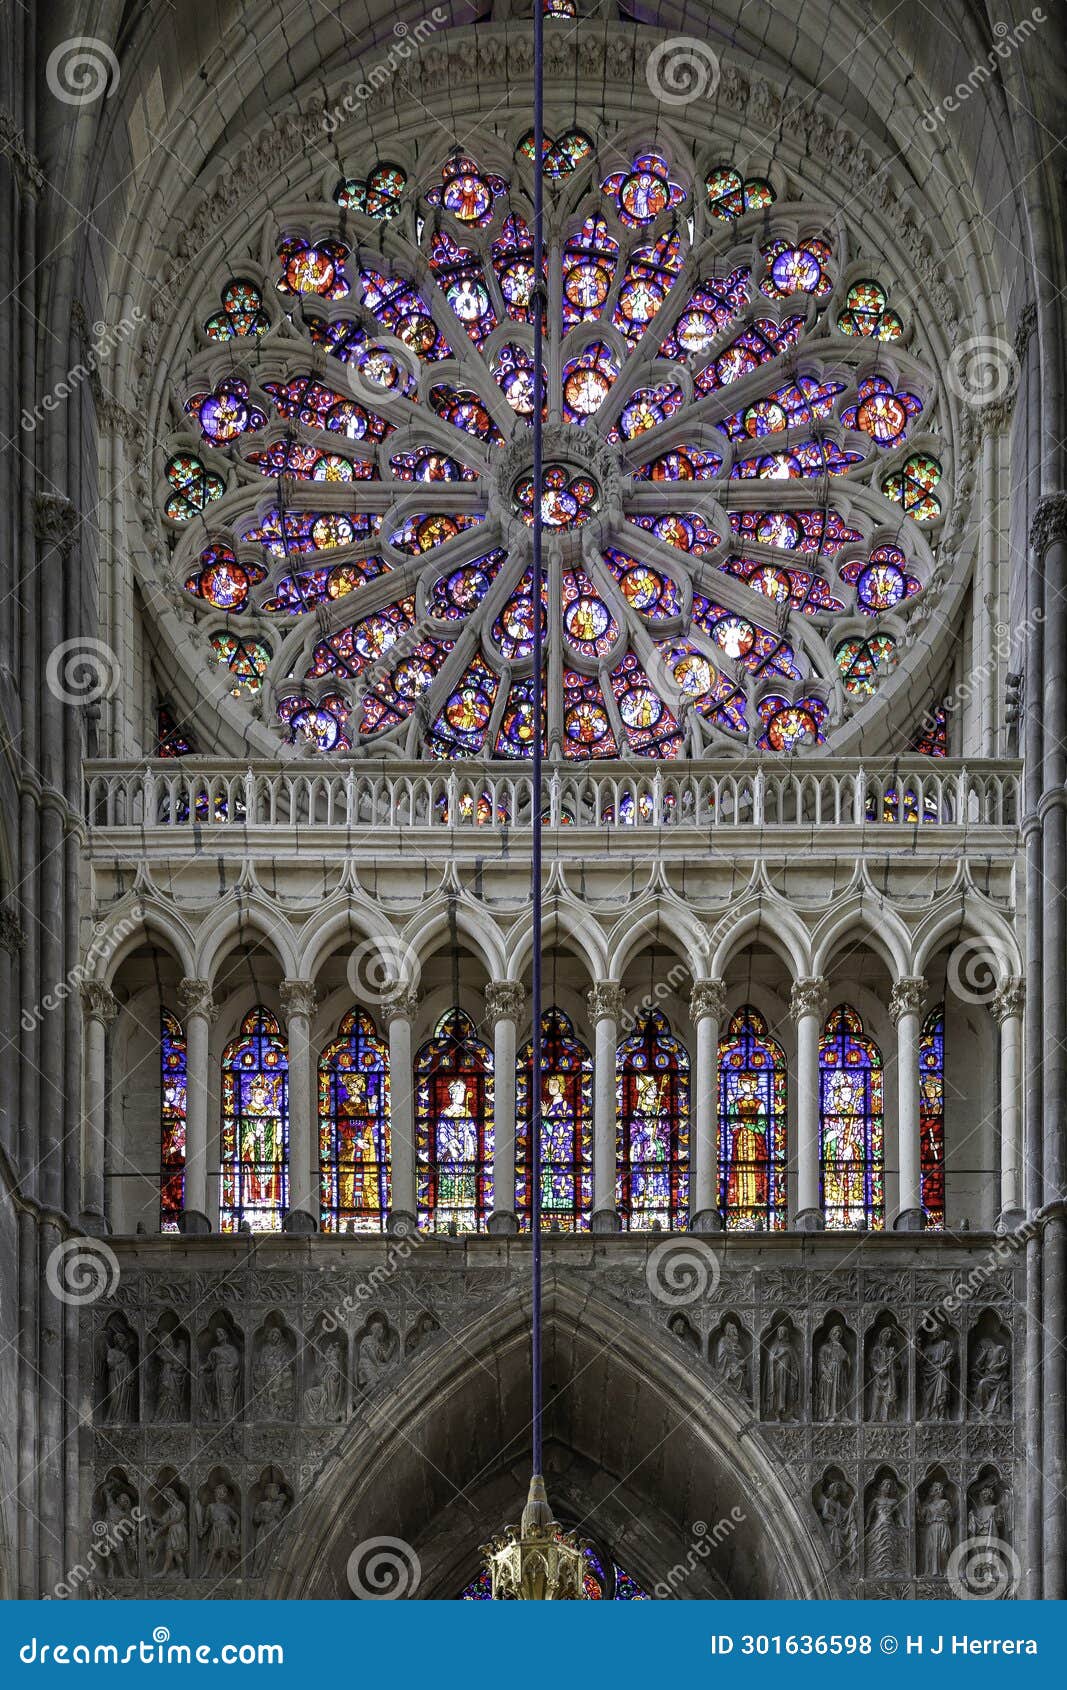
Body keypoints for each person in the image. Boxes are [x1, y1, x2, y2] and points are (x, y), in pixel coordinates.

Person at [816, 1324, 851, 1422]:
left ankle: (841, 1415)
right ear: (831, 1334)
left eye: (839, 1334)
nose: (837, 1335)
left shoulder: (841, 1348)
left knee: (841, 1392)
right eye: (835, 1333)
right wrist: (826, 1372)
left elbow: (846, 1360)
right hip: (829, 1373)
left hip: (840, 1374)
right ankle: (829, 1414)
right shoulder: (824, 1347)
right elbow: (821, 1362)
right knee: (830, 1390)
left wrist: (841, 1349)